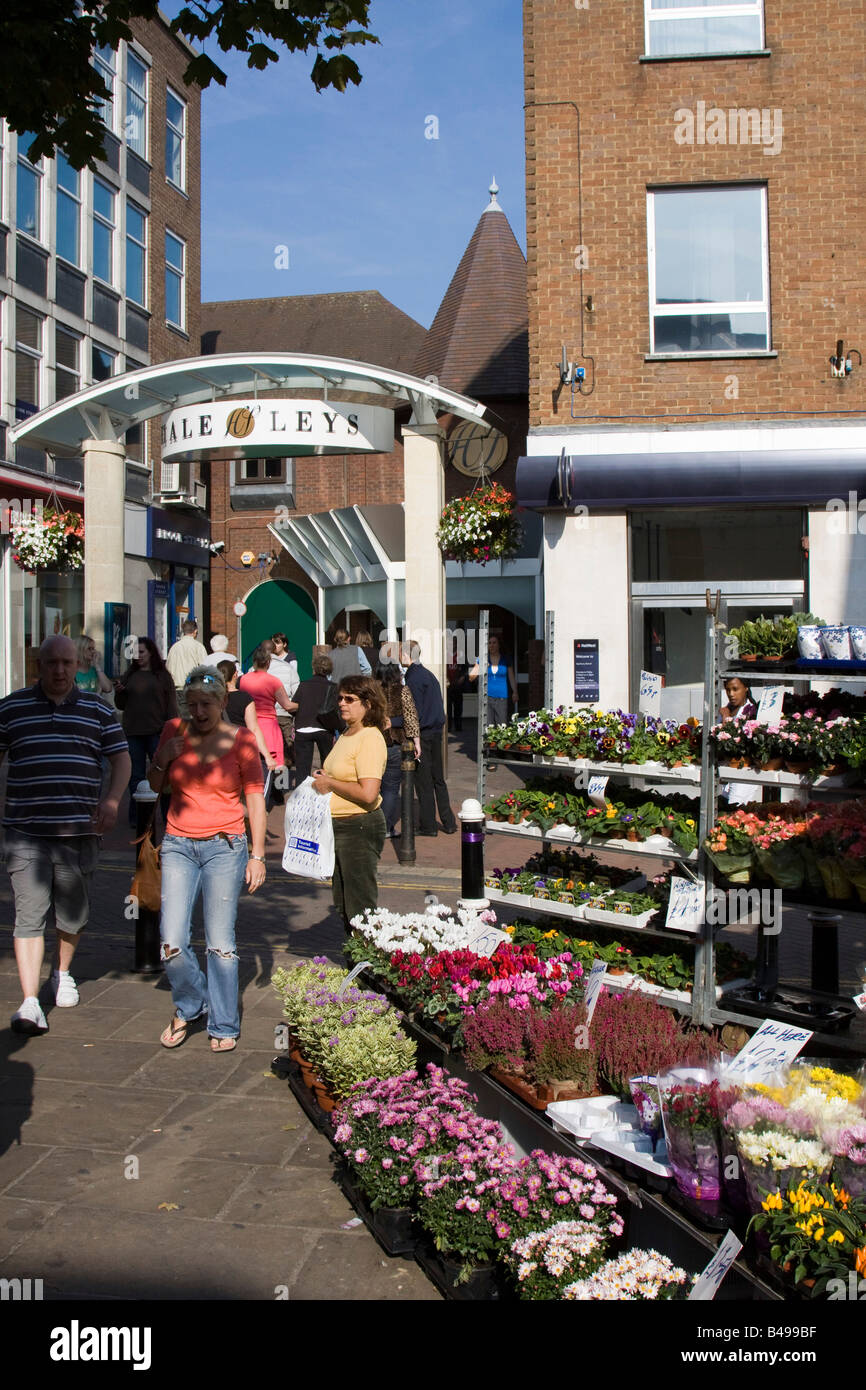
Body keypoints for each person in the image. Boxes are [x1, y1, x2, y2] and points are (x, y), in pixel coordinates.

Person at [0, 635, 131, 1035]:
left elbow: (121, 760)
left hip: (79, 830)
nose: (59, 670)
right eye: (51, 662)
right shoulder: (11, 708)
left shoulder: (96, 710)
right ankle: (28, 1002)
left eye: (67, 663)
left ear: (78, 665)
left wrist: (111, 802)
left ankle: (62, 972)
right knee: (29, 913)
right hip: (26, 832)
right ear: (39, 664)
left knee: (72, 913)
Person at [149, 666, 266, 1052]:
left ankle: (224, 1021)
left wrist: (258, 855)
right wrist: (163, 758)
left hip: (225, 847)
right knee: (172, 942)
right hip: (179, 844)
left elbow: (254, 799)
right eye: (192, 704)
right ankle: (192, 1002)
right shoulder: (172, 731)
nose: (198, 712)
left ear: (223, 702)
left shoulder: (241, 740)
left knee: (220, 944)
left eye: (206, 704)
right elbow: (154, 784)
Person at [312, 675, 387, 931]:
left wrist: (330, 784)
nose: (342, 703)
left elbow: (368, 793)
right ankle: (356, 964)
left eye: (350, 699)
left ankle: (369, 968)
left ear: (368, 703)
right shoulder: (346, 733)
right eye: (340, 698)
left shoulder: (370, 738)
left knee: (360, 906)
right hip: (339, 826)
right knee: (343, 902)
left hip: (358, 827)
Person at [113, 637, 178, 825]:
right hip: (133, 732)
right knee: (136, 776)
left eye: (141, 652)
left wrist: (172, 727)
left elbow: (171, 704)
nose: (138, 656)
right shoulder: (130, 674)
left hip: (156, 731)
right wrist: (120, 692)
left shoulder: (162, 676)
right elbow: (121, 705)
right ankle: (138, 816)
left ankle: (167, 814)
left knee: (163, 774)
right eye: (135, 653)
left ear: (150, 653)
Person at [401, 641, 458, 836]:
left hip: (424, 733)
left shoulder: (413, 678)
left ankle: (428, 826)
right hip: (436, 730)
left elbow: (412, 712)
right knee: (438, 779)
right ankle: (449, 822)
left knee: (423, 781)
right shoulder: (428, 675)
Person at [378, 661, 421, 838]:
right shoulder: (402, 691)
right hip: (394, 745)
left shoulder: (372, 692)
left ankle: (374, 825)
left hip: (373, 743)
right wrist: (417, 743)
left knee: (374, 787)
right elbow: (411, 718)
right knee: (390, 789)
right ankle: (385, 828)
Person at [286, 653, 339, 783]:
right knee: (327, 767)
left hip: (303, 728)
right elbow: (336, 709)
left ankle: (301, 798)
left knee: (302, 770)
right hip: (324, 729)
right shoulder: (333, 687)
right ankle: (324, 795)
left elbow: (295, 705)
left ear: (314, 668)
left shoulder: (304, 685)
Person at [216, 659, 278, 770]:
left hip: (217, 749)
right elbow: (254, 729)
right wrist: (267, 756)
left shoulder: (213, 699)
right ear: (235, 674)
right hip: (239, 749)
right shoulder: (244, 698)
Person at [239, 642, 293, 768]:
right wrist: (302, 706)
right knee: (277, 766)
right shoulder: (273, 681)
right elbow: (287, 705)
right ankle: (277, 787)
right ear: (268, 663)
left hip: (248, 725)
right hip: (269, 727)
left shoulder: (243, 680)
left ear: (254, 662)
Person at [719, 677, 759, 806]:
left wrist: (726, 719)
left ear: (746, 688)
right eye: (728, 690)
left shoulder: (752, 712)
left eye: (735, 689)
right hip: (727, 768)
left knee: (735, 807)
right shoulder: (726, 710)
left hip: (744, 770)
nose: (731, 694)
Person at [468, 634, 517, 726]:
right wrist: (480, 665)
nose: (492, 645)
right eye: (489, 643)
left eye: (494, 643)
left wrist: (515, 692)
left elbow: (511, 677)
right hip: (487, 697)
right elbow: (471, 677)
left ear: (499, 645)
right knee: (488, 726)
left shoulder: (506, 659)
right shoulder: (482, 659)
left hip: (502, 697)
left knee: (502, 726)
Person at [165, 619, 209, 717]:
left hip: (176, 690)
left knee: (179, 720)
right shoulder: (198, 647)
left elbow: (167, 668)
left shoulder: (174, 648)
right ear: (195, 631)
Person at [268, 632, 299, 765]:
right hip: (282, 709)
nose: (276, 645)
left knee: (284, 741)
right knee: (285, 742)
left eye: (278, 642)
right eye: (273, 642)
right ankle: (287, 770)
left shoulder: (290, 660)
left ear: (284, 644)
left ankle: (283, 769)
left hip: (279, 709)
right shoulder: (286, 668)